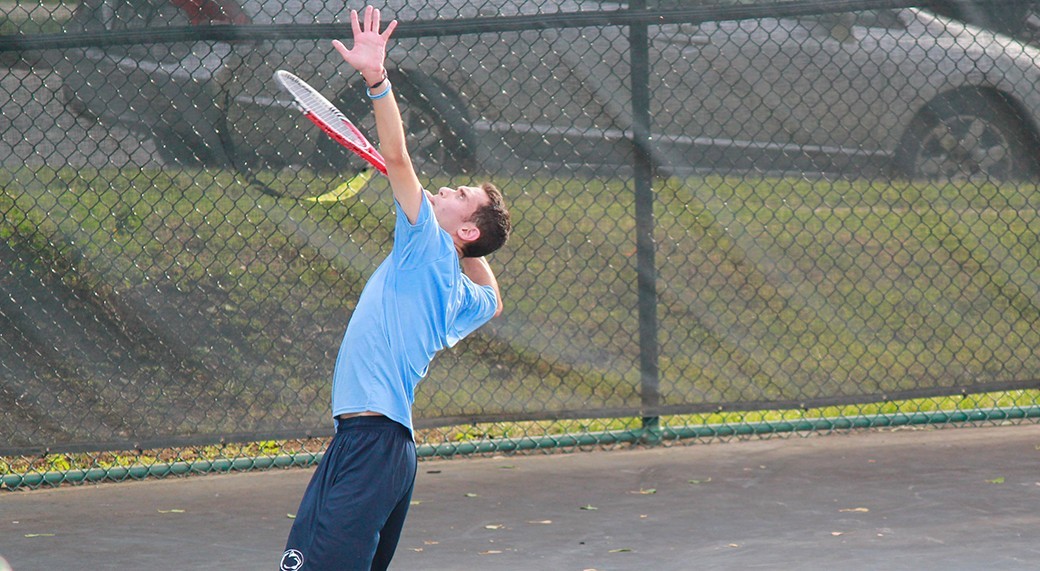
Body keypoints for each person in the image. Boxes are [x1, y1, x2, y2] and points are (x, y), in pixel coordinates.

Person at [280, 6, 511, 570]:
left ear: (466, 228)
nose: (445, 187)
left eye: (458, 192)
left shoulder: (427, 247)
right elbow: (496, 298)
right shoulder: (457, 288)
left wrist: (376, 80)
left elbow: (398, 156)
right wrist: (466, 241)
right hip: (382, 446)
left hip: (372, 440)